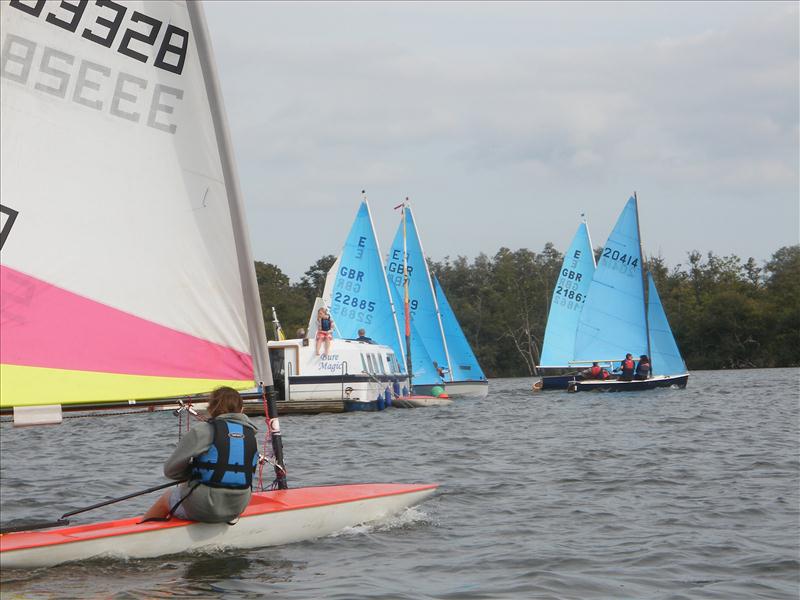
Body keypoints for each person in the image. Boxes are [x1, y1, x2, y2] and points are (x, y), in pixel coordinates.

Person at [142, 387, 259, 523]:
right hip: (238, 506)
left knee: (167, 498)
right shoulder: (251, 434)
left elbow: (170, 471)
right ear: (241, 410)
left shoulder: (203, 430)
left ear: (211, 408)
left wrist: (194, 473)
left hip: (206, 506)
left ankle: (142, 534)